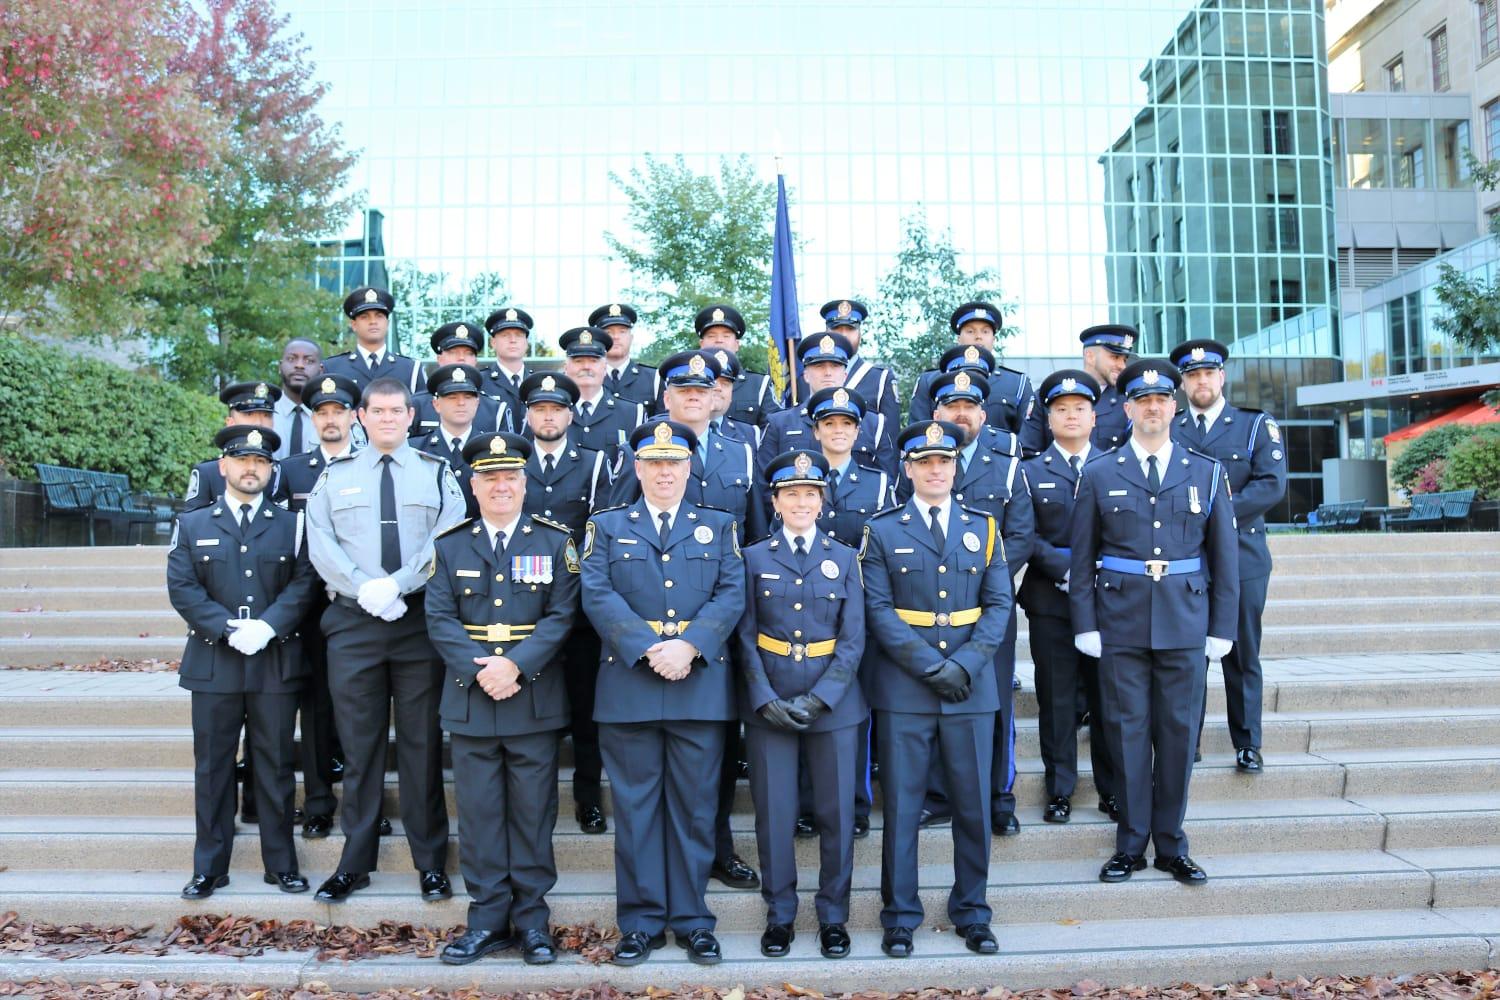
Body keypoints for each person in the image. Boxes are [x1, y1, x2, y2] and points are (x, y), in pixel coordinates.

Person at [580, 420, 746, 967]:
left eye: (674, 463)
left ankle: (694, 919)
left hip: (698, 684)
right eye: (654, 463)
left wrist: (690, 646)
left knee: (696, 811)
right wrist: (651, 647)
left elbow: (730, 593)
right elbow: (597, 593)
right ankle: (642, 921)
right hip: (630, 683)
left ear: (688, 467)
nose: (665, 472)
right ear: (638, 468)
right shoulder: (607, 526)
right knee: (635, 811)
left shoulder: (717, 526)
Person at [1070, 358, 1238, 886]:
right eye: (1142, 401)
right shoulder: (1099, 472)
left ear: (1173, 406)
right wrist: (1085, 623)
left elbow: (1225, 559)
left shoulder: (1206, 473)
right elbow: (1081, 559)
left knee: (1179, 732)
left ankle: (1171, 844)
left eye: (1161, 400)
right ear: (1127, 409)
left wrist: (1222, 627)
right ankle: (1129, 843)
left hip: (1185, 620)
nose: (1152, 408)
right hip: (1120, 620)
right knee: (1126, 734)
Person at [304, 376, 468, 902]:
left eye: (398, 411)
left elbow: (450, 532)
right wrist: (364, 588)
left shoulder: (438, 473)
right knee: (360, 747)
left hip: (418, 622)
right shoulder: (336, 475)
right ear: (362, 417)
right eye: (378, 411)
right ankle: (355, 863)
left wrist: (398, 585)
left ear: (410, 416)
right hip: (354, 623)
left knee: (420, 746)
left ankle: (430, 863)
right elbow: (319, 538)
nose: (389, 419)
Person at [608, 350, 765, 890]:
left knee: (715, 754)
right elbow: (610, 534)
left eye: (705, 389)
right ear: (667, 398)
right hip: (650, 632)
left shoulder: (742, 453)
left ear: (720, 395)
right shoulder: (645, 450)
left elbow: (758, 540)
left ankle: (716, 848)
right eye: (684, 390)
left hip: (723, 625)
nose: (695, 397)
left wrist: (711, 631)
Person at [426, 431, 579, 967]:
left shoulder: (554, 542)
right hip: (471, 698)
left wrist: (515, 665)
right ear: (473, 484)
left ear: (524, 483)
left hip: (531, 696)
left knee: (533, 814)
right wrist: (484, 670)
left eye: (510, 476)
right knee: (480, 815)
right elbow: (440, 619)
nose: (501, 486)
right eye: (489, 477)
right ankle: (488, 921)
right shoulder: (450, 545)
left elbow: (563, 615)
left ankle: (534, 923)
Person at [860, 420, 1012, 959]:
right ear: (907, 468)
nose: (934, 470)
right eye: (924, 462)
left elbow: (999, 606)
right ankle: (900, 915)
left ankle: (972, 910)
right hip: (906, 686)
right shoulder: (882, 529)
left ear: (954, 467)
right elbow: (877, 609)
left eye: (943, 461)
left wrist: (966, 664)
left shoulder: (984, 526)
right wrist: (931, 666)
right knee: (901, 807)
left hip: (970, 687)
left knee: (973, 807)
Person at [166, 425, 318, 899]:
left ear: (271, 471)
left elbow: (305, 582)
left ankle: (281, 864)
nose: (251, 469)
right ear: (223, 467)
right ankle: (210, 867)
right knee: (212, 767)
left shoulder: (293, 524)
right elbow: (182, 587)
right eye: (242, 461)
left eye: (261, 462)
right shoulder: (192, 524)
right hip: (215, 661)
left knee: (273, 765)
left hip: (275, 658)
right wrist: (227, 627)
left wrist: (268, 626)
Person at [737, 449, 866, 961]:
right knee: (774, 815)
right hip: (769, 702)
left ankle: (834, 917)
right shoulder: (752, 557)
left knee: (835, 815)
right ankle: (780, 916)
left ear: (822, 500)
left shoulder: (845, 557)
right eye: (791, 493)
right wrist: (764, 698)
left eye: (810, 494)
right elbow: (743, 636)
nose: (801, 502)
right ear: (775, 500)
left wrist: (822, 697)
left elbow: (854, 639)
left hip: (833, 705)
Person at [909, 371, 1035, 837]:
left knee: (996, 703)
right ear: (936, 414)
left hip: (988, 609)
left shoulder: (1006, 464)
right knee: (936, 701)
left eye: (970, 406)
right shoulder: (919, 461)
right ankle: (940, 795)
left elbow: (1021, 534)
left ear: (984, 414)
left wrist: (986, 579)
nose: (960, 413)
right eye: (951, 406)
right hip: (928, 611)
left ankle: (999, 798)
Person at [1169, 339, 1287, 773]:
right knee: (1187, 657)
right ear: (1183, 383)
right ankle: (1188, 742)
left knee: (1242, 654)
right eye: (1192, 375)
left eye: (1208, 374)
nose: (1201, 382)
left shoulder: (1254, 426)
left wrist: (1215, 515)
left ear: (1221, 377)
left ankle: (1248, 743)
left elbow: (1270, 485)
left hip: (1243, 557)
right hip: (1189, 560)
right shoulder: (1172, 427)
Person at [1019, 370, 1119, 824]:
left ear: (1094, 417)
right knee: (1057, 701)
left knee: (1108, 700)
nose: (1071, 416)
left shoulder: (1116, 467)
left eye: (1080, 408)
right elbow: (1024, 534)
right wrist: (1069, 570)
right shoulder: (1027, 472)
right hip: (1051, 601)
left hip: (1108, 603)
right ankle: (1059, 789)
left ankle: (1112, 790)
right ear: (1049, 417)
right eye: (1062, 409)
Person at [516, 371, 612, 834]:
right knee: (533, 710)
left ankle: (588, 796)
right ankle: (535, 801)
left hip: (578, 608)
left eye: (556, 409)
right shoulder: (512, 461)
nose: (548, 417)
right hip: (523, 606)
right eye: (540, 409)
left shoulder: (593, 463)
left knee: (586, 707)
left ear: (570, 415)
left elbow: (598, 535)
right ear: (528, 414)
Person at [279, 373, 361, 839]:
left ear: (353, 416)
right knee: (315, 709)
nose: (330, 420)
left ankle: (361, 800)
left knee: (358, 708)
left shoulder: (372, 463)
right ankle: (317, 802)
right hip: (310, 607)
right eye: (322, 413)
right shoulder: (291, 471)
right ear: (312, 420)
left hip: (358, 602)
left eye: (338, 411)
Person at [757, 332, 894, 482]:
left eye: (835, 366)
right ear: (806, 375)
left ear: (845, 375)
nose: (828, 373)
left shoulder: (873, 425)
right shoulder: (780, 424)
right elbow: (764, 486)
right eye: (819, 366)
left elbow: (886, 483)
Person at [908, 302, 1041, 454]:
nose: (978, 337)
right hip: (943, 465)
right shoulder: (930, 380)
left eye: (985, 332)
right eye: (970, 331)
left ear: (993, 340)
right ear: (959, 339)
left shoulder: (1017, 383)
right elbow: (918, 433)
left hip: (1001, 468)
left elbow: (1027, 440)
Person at [183, 382, 289, 513]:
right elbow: (192, 525)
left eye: (267, 415)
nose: (259, 422)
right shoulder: (208, 473)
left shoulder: (284, 473)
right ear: (230, 423)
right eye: (249, 414)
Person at [409, 322, 509, 439]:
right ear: (439, 359)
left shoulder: (495, 409)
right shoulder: (416, 405)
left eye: (468, 353)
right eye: (453, 352)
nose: (461, 358)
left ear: (475, 360)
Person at [413, 363, 487, 517]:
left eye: (467, 397)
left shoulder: (489, 448)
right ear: (436, 404)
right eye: (452, 397)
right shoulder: (415, 449)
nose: (461, 403)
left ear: (477, 403)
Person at [321, 286, 423, 395]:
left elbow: (422, 408)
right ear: (354, 325)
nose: (373, 321)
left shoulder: (410, 369)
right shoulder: (332, 368)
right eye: (365, 317)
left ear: (387, 323)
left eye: (379, 316)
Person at [560, 326, 643, 460]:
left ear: (604, 368)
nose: (586, 367)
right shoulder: (551, 412)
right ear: (566, 368)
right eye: (578, 361)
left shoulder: (632, 413)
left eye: (593, 361)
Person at [694, 303, 783, 428]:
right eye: (711, 336)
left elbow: (773, 429)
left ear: (737, 344)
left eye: (726, 336)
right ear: (702, 344)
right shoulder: (689, 383)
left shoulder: (758, 385)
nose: (719, 340)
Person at [589, 302, 660, 409]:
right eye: (608, 332)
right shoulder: (586, 377)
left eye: (622, 332)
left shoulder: (654, 378)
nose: (616, 337)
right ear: (598, 340)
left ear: (631, 338)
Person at [480, 307, 534, 430]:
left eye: (519, 335)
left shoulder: (538, 383)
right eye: (505, 335)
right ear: (493, 343)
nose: (513, 340)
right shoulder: (480, 382)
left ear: (526, 343)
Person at [273, 339, 323, 459]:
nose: (299, 365)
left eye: (309, 361)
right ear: (280, 366)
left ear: (321, 370)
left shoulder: (334, 416)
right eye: (291, 359)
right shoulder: (263, 414)